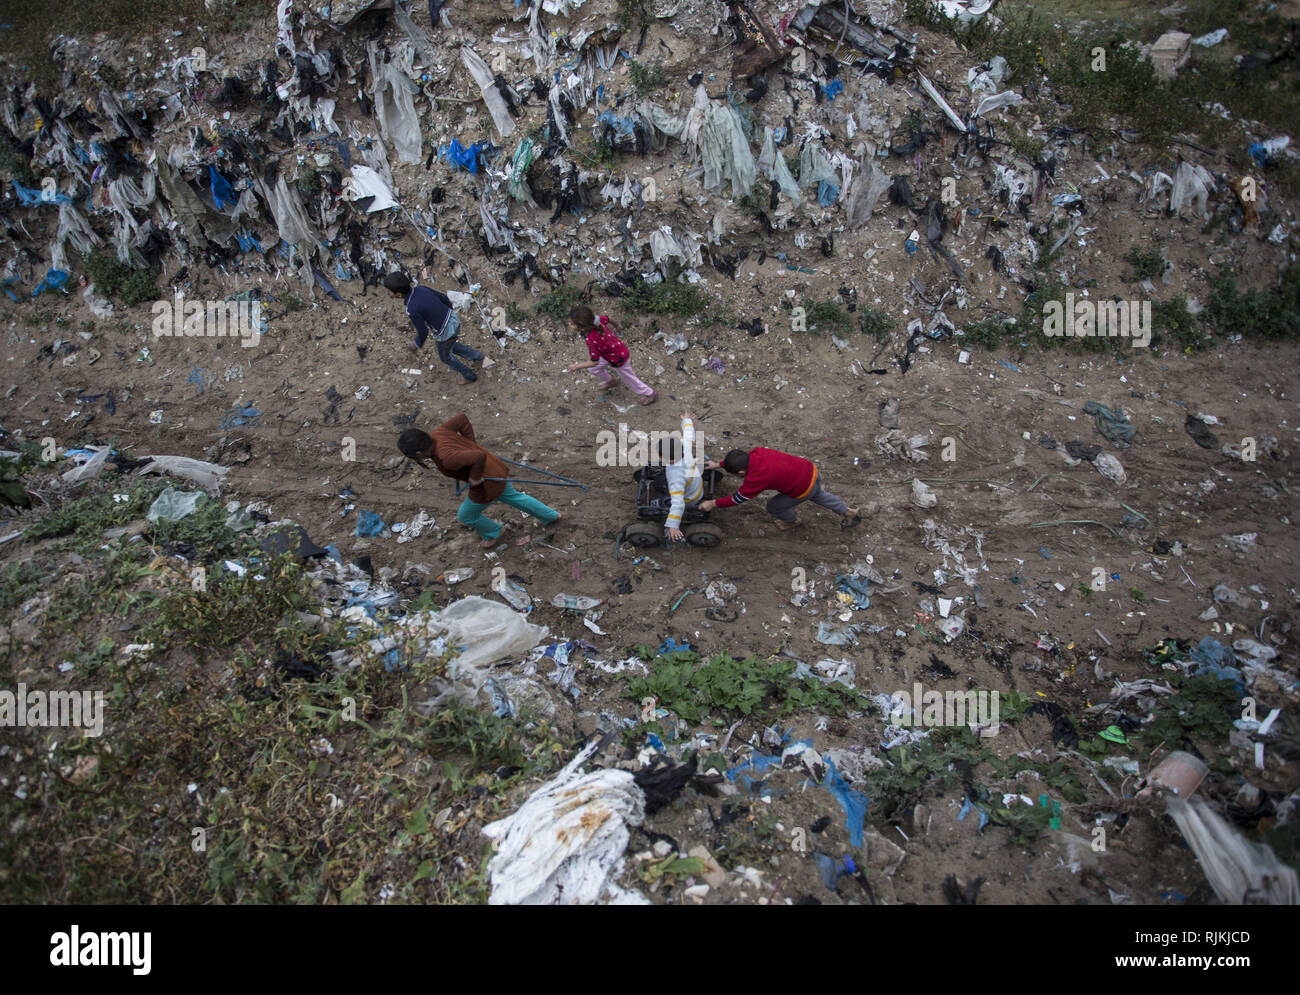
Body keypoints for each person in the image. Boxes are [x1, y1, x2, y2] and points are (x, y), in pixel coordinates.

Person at [397, 415, 562, 548]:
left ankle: (494, 532)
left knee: (466, 515)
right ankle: (551, 516)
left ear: (418, 453)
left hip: (486, 483)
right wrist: (471, 444)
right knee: (513, 496)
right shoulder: (438, 433)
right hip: (494, 468)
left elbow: (478, 456)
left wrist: (475, 477)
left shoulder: (446, 458)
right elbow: (461, 419)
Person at [699, 447, 861, 532]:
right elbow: (739, 461)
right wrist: (718, 464)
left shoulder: (756, 478)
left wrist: (712, 503)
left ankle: (792, 521)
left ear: (741, 473)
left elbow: (737, 499)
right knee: (818, 494)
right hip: (810, 471)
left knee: (774, 506)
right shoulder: (758, 452)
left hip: (802, 488)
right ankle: (848, 512)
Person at [384, 271, 483, 385]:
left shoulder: (411, 309)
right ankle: (478, 357)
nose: (389, 294)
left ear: (398, 294)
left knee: (445, 357)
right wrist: (447, 312)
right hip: (453, 320)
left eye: (389, 292)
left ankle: (469, 376)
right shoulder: (421, 288)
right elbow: (444, 298)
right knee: (450, 345)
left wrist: (417, 344)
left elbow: (423, 331)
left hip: (444, 332)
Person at [564, 305, 657, 405]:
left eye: (572, 324)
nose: (569, 325)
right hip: (609, 353)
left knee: (630, 380)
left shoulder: (591, 339)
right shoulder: (596, 320)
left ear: (582, 326)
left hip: (619, 359)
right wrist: (617, 325)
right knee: (593, 369)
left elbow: (594, 361)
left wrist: (576, 366)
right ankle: (611, 381)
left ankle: (650, 393)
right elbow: (608, 319)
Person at [662, 409, 707, 542]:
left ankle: (662, 507)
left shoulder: (676, 475)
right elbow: (689, 435)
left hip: (689, 498)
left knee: (664, 500)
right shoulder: (684, 446)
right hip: (696, 487)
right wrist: (687, 420)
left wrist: (673, 525)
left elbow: (678, 502)